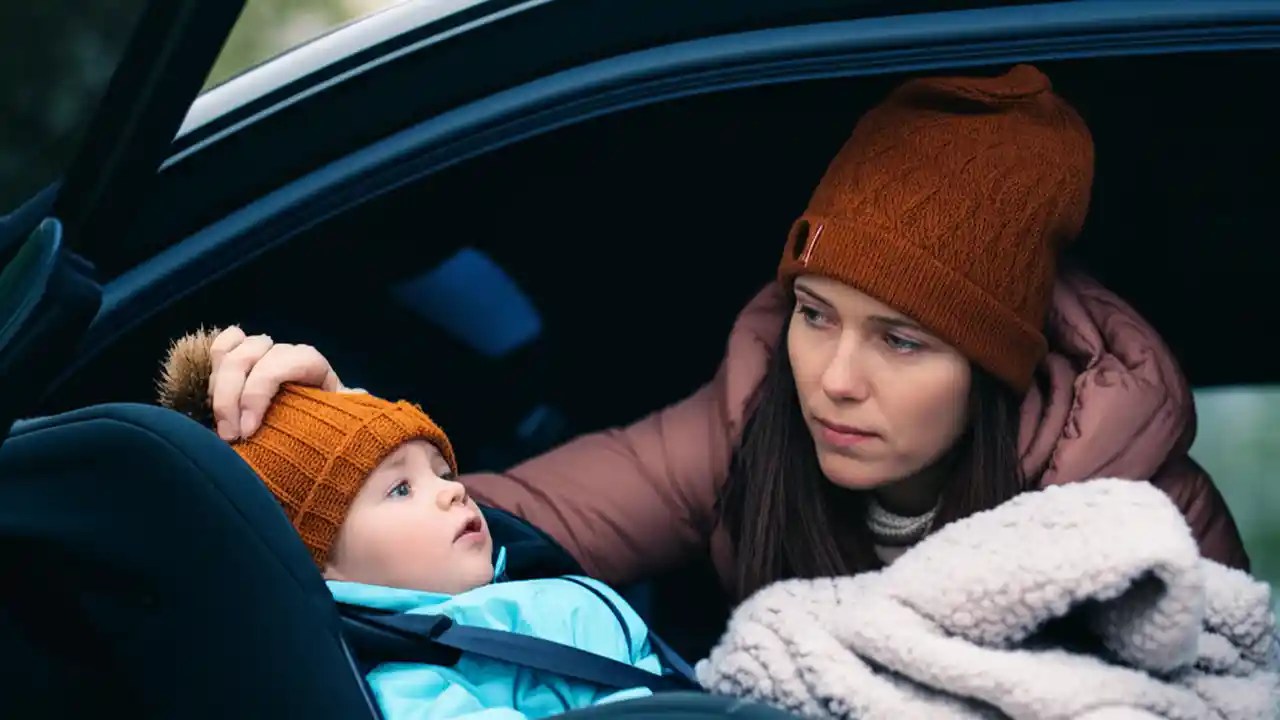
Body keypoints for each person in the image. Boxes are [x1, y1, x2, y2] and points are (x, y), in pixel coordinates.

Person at [201, 64, 1248, 607]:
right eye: (815, 315)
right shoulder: (747, 420)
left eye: (901, 342)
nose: (833, 380)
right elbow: (492, 519)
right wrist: (340, 444)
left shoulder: (1139, 504)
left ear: (991, 369)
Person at [157, 329, 670, 720]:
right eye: (401, 489)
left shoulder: (537, 584)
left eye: (443, 473)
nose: (454, 490)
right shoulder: (409, 691)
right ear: (322, 567)